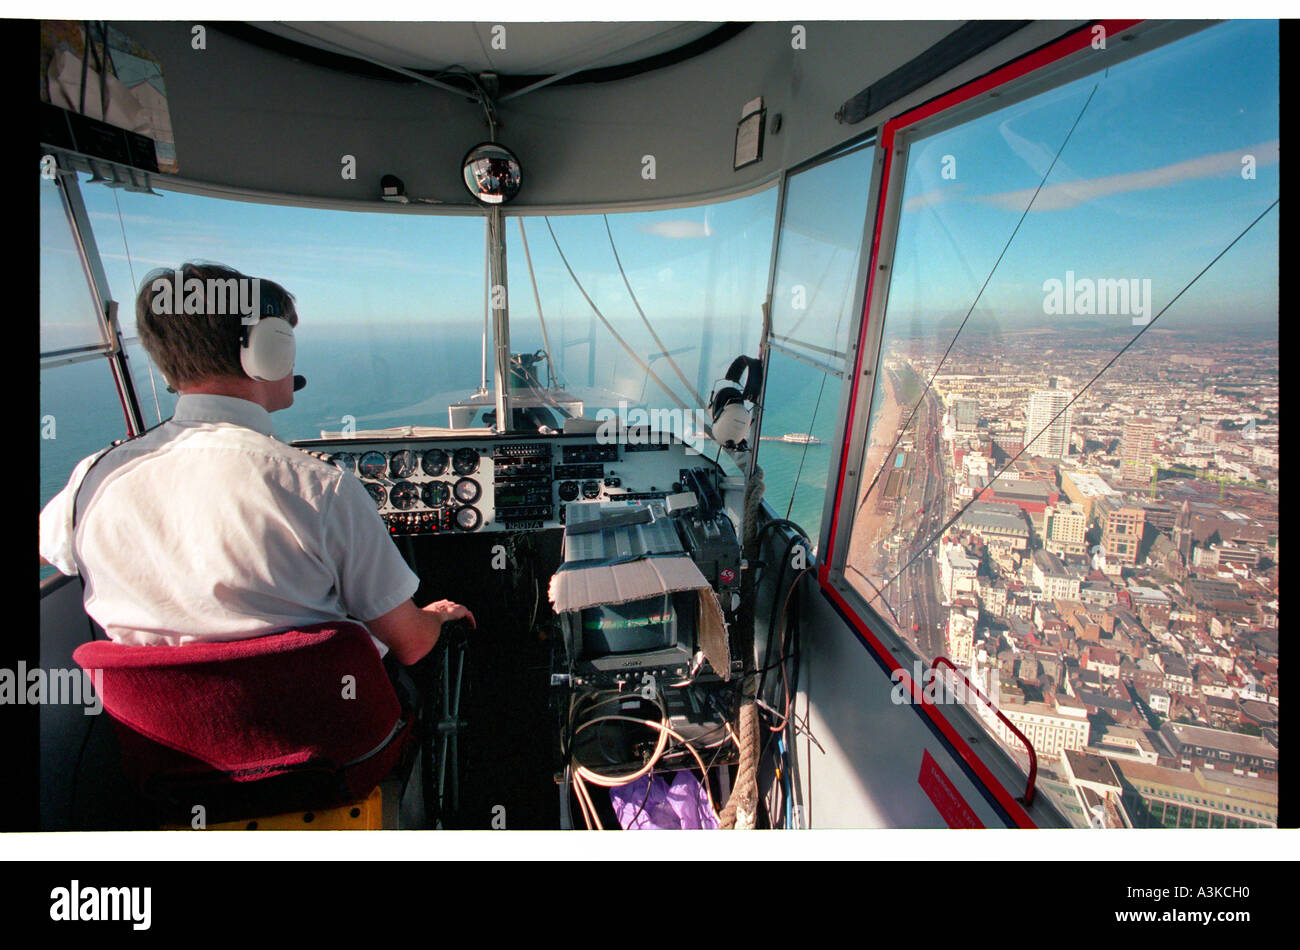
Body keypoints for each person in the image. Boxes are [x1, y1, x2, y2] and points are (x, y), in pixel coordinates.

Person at [39, 261, 473, 665]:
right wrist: (435, 615)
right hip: (326, 736)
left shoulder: (93, 480)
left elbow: (49, 548)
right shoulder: (319, 487)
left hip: (159, 741)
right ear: (269, 349)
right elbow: (411, 645)